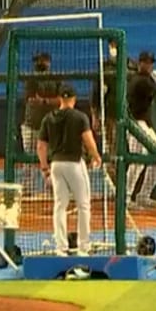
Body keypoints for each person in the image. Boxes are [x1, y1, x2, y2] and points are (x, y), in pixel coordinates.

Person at [37, 84, 102, 255]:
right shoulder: (80, 117)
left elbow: (41, 146)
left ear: (60, 98)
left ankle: (61, 247)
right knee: (83, 205)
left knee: (60, 206)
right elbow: (88, 141)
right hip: (74, 163)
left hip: (56, 165)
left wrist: (44, 168)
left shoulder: (48, 118)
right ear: (74, 99)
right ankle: (84, 246)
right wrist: (96, 157)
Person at [125, 51, 156, 209]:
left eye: (151, 63)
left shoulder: (144, 79)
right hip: (135, 124)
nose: (150, 66)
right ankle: (125, 197)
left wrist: (155, 79)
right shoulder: (141, 81)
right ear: (140, 63)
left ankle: (144, 195)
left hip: (145, 124)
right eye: (146, 63)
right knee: (138, 160)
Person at [21, 51, 58, 191]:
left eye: (42, 61)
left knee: (51, 158)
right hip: (31, 125)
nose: (39, 64)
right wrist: (48, 101)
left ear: (48, 62)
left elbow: (61, 100)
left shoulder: (55, 79)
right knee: (29, 158)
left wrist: (44, 100)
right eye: (37, 62)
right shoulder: (31, 79)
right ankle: (28, 188)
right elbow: (31, 99)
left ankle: (51, 187)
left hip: (49, 126)